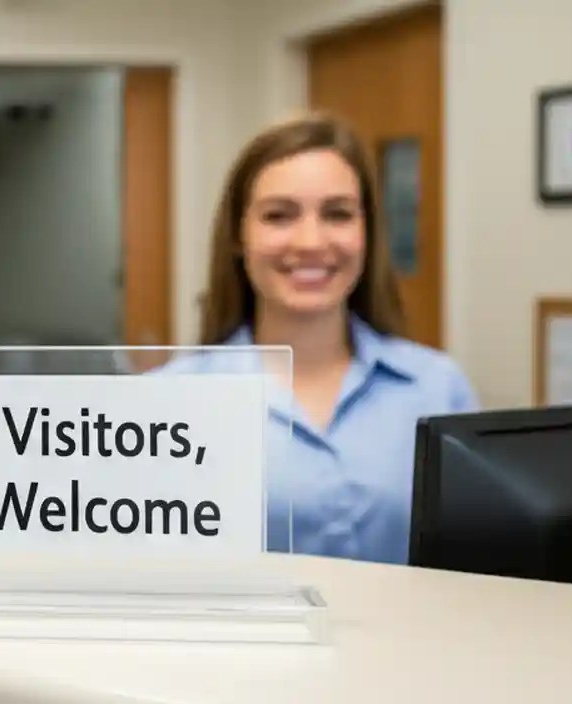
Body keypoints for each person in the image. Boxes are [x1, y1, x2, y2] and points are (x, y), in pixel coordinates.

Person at [190, 112, 477, 564]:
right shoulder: (172, 397)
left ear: (367, 233)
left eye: (338, 214)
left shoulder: (437, 387)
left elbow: (477, 565)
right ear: (238, 237)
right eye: (279, 216)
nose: (310, 241)